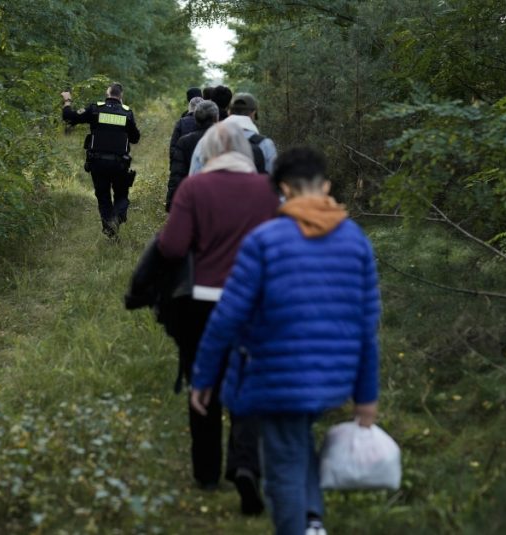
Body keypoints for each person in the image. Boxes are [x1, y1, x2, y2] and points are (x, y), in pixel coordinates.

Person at [190, 147, 381, 535]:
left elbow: (228, 315)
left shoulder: (264, 240)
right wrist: (366, 397)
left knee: (282, 470)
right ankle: (312, 520)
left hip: (275, 378)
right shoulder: (355, 240)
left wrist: (204, 376)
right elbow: (367, 324)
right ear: (325, 186)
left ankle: (301, 525)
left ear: (283, 190)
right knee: (298, 444)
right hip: (332, 375)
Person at [157, 122, 280, 515]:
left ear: (207, 153)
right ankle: (245, 463)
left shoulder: (194, 189)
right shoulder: (267, 189)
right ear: (246, 152)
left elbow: (173, 245)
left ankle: (206, 472)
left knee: (203, 378)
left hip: (203, 303)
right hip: (254, 303)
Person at [61, 83, 141, 239]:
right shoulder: (127, 113)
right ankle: (116, 218)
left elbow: (69, 117)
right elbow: (135, 138)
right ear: (121, 96)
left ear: (107, 94)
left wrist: (67, 101)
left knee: (103, 196)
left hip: (98, 162)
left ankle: (110, 230)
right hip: (119, 163)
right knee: (121, 196)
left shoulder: (94, 109)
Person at [188, 92, 276, 176]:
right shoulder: (265, 145)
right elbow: (274, 183)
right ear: (253, 113)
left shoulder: (207, 141)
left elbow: (195, 174)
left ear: (229, 112)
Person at [167, 100, 218, 211]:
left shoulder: (185, 141)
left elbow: (177, 174)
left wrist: (172, 202)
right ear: (216, 118)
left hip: (192, 199)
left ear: (196, 118)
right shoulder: (225, 140)